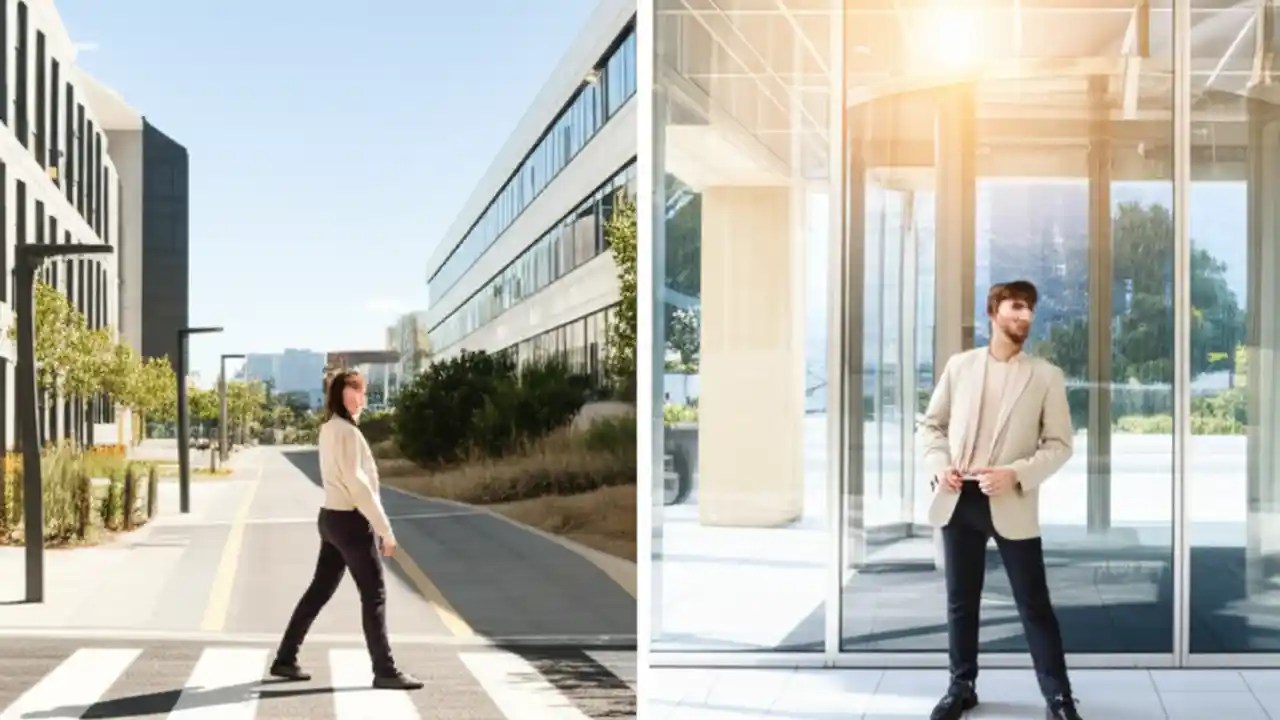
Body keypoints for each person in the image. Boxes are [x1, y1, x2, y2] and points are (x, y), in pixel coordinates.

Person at [919, 280, 1082, 720]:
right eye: (1015, 307)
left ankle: (1058, 698)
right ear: (994, 312)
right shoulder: (961, 367)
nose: (1024, 316)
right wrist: (940, 467)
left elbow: (1060, 444)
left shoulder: (1046, 376)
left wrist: (1016, 474)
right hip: (958, 498)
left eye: (1029, 309)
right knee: (961, 601)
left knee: (1034, 605)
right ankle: (961, 686)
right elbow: (931, 426)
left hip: (1011, 498)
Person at [269, 369, 424, 690]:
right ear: (344, 394)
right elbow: (357, 482)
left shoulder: (329, 428)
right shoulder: (347, 432)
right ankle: (385, 670)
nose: (363, 398)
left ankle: (285, 658)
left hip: (330, 518)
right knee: (374, 595)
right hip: (350, 522)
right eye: (358, 391)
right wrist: (385, 529)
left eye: (363, 391)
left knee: (319, 590)